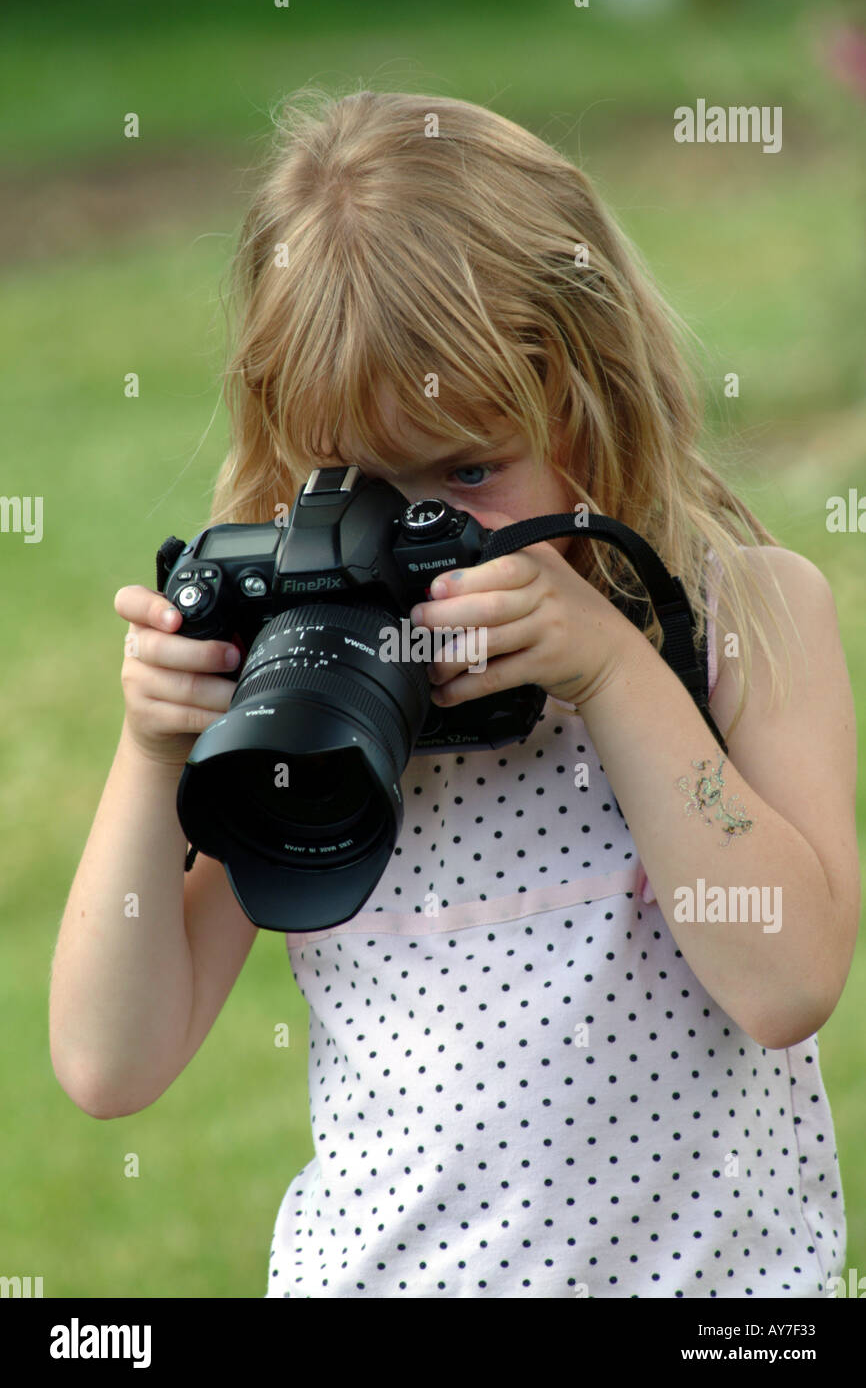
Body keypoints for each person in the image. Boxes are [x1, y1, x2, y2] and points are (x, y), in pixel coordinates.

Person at [50, 89, 860, 1298]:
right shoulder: (313, 691)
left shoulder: (739, 619)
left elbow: (788, 982)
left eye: (466, 472)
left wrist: (610, 669)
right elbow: (111, 1063)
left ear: (591, 405)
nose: (411, 530)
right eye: (358, 484)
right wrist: (153, 750)